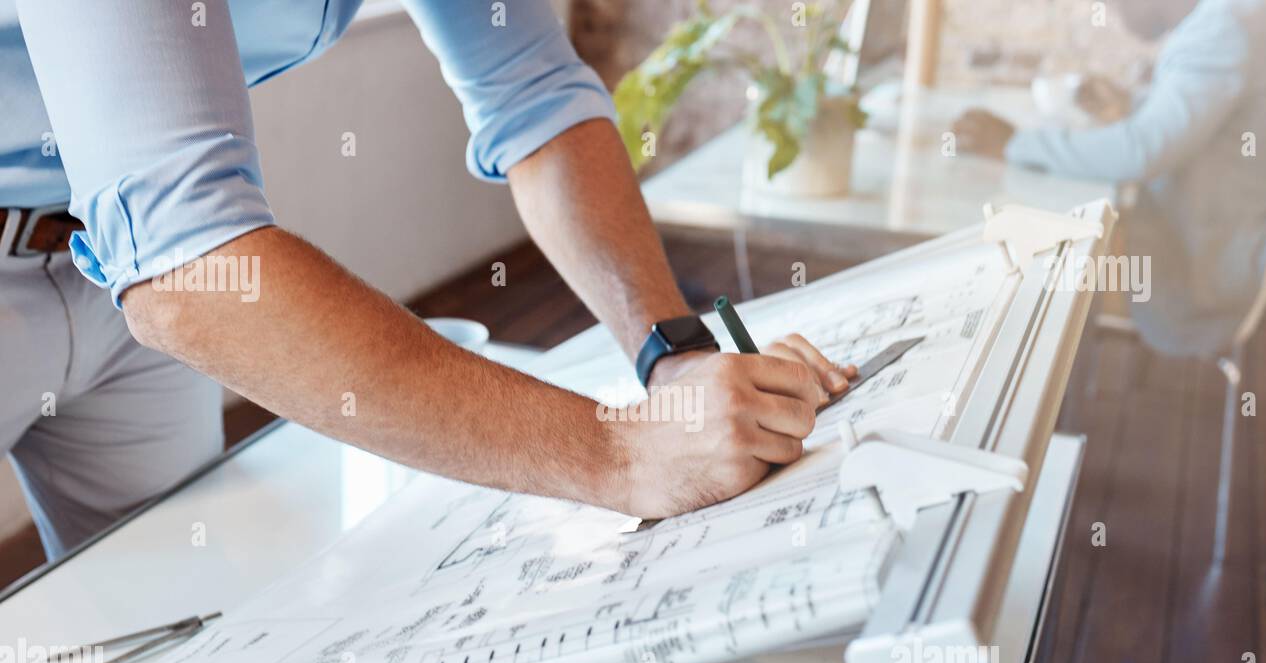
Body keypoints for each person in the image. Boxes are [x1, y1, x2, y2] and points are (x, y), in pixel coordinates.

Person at [0, 0, 855, 559]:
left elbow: (536, 98)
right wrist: (622, 452)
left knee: (157, 628)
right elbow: (190, 272)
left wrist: (671, 355)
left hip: (105, 251)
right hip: (149, 260)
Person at [953, 0, 1266, 357]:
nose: (1114, 15)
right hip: (1238, 254)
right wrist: (1134, 104)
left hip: (1203, 286)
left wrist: (1015, 143)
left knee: (1038, 286)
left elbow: (1140, 153)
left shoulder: (1223, 30)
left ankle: (1057, 401)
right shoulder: (1243, 13)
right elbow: (1194, 126)